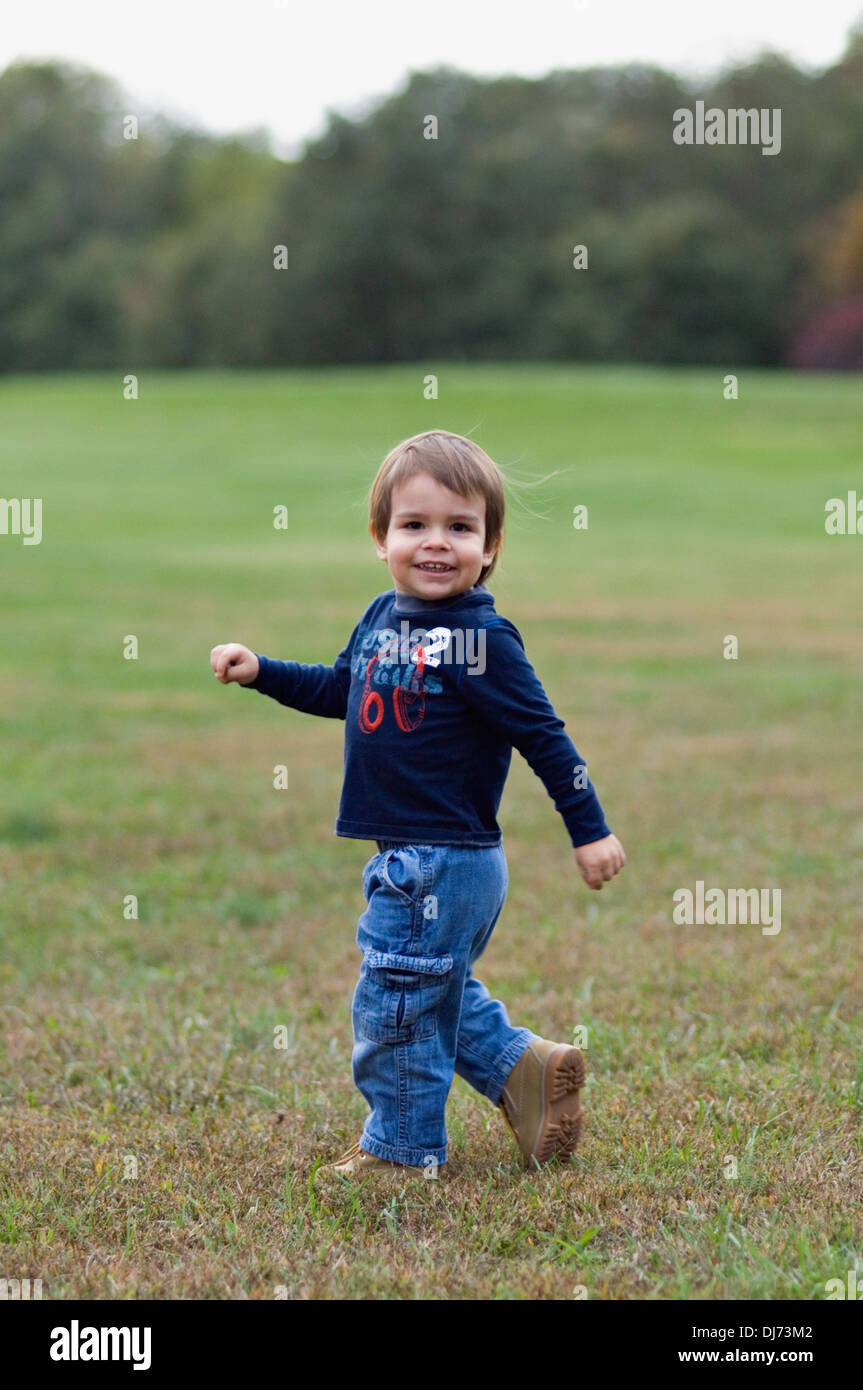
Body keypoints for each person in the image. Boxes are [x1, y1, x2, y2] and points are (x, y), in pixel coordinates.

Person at [210, 429, 625, 1182]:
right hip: (412, 858)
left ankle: (402, 1153)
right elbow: (341, 690)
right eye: (415, 525)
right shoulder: (381, 616)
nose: (436, 544)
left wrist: (588, 830)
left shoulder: (481, 639)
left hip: (442, 858)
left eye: (460, 528)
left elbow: (543, 735)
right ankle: (524, 1070)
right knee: (425, 986)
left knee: (394, 1004)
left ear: (490, 546)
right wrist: (261, 671)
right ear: (380, 538)